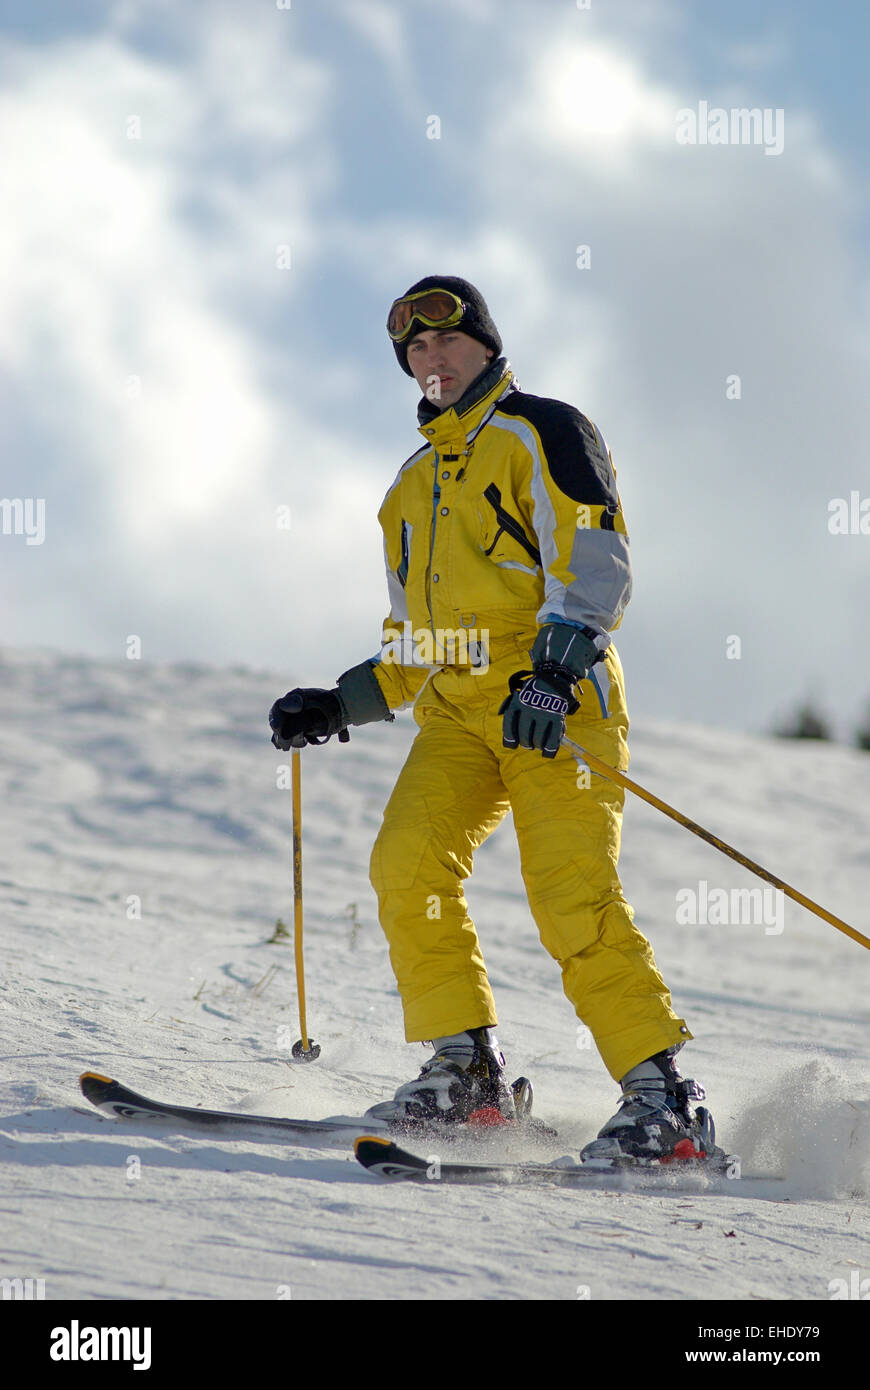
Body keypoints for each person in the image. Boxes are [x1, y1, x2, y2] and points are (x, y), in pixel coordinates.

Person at [270, 276, 716, 1165]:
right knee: (405, 862)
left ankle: (665, 1098)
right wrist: (341, 701)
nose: (432, 361)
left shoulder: (542, 429)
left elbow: (597, 556)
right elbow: (417, 643)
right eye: (416, 350)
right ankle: (466, 1070)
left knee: (570, 894)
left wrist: (552, 676)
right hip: (457, 716)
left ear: (484, 345)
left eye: (447, 342)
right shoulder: (408, 488)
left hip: (553, 703)